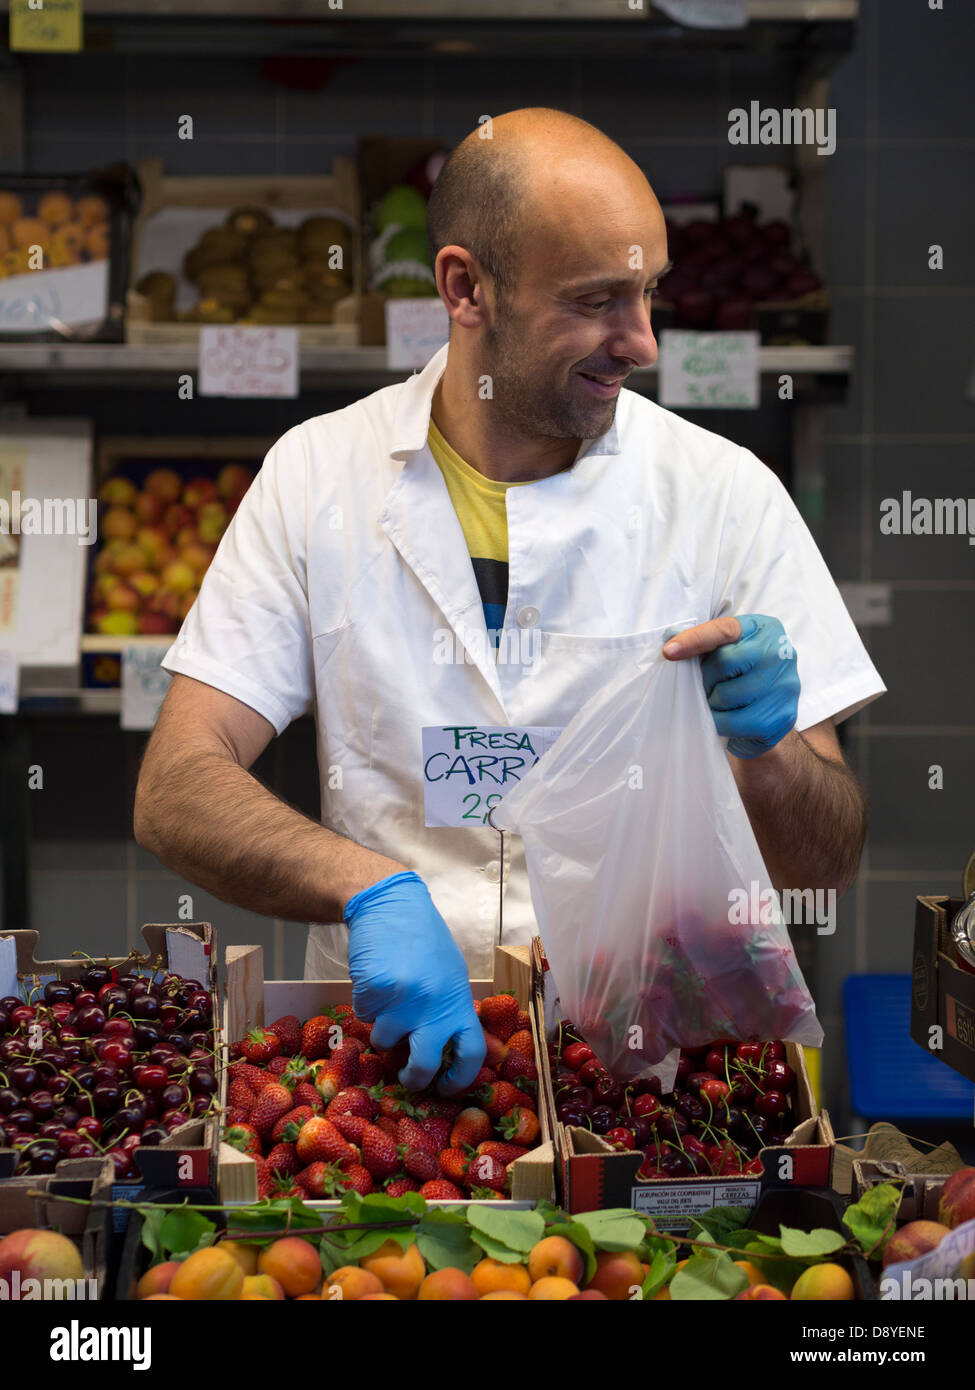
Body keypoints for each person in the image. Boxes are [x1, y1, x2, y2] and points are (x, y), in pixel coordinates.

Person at [134, 107, 884, 1095]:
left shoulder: (720, 495)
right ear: (464, 287)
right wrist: (367, 886)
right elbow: (176, 785)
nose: (643, 340)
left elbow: (824, 862)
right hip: (385, 1070)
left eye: (649, 293)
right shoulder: (319, 475)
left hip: (645, 1076)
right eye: (597, 300)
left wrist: (773, 756)